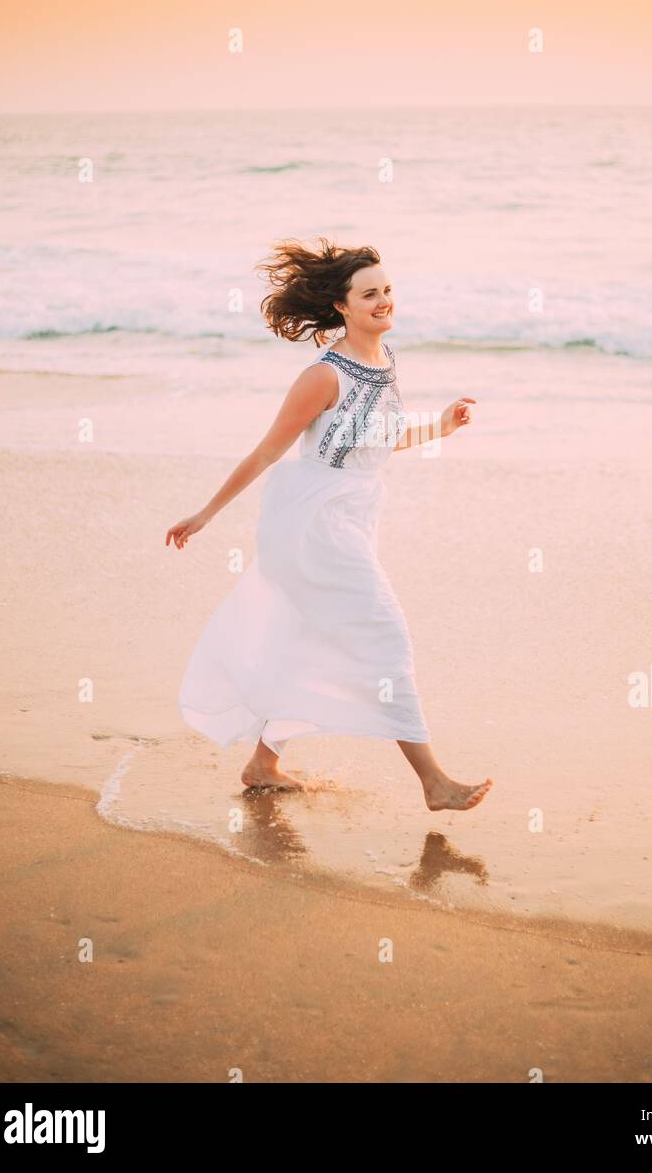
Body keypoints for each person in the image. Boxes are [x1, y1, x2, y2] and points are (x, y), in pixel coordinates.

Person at [166, 236, 492, 811]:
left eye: (387, 290)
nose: (384, 300)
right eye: (370, 294)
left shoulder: (386, 361)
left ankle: (262, 764)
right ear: (342, 306)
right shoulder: (322, 376)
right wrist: (205, 514)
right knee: (383, 633)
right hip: (311, 522)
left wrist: (440, 427)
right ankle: (434, 782)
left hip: (350, 515)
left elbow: (378, 440)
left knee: (307, 638)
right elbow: (267, 452)